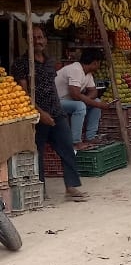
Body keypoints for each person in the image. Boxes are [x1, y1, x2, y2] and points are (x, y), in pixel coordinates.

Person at [11, 27, 88, 201]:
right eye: (33, 38)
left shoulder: (49, 61)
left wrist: (56, 109)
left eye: (40, 37)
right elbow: (23, 94)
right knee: (37, 153)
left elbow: (51, 87)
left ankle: (71, 187)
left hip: (56, 112)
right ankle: (41, 189)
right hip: (37, 115)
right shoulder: (21, 64)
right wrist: (41, 112)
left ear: (45, 40)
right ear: (26, 40)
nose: (37, 41)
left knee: (67, 147)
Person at [55, 50, 109, 147]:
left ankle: (90, 137)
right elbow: (75, 94)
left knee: (96, 101)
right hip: (56, 101)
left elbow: (94, 92)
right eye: (99, 63)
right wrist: (89, 102)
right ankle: (76, 141)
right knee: (81, 106)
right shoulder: (76, 69)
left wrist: (86, 100)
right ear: (95, 63)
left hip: (69, 101)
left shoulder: (87, 73)